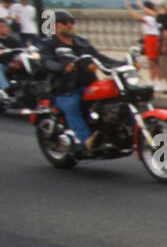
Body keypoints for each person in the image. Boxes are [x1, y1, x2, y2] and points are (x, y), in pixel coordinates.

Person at [39, 11, 122, 150]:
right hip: (65, 89)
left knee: (115, 99)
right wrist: (63, 67)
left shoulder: (82, 43)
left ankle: (113, 133)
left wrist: (125, 64)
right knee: (72, 106)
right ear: (54, 26)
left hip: (88, 86)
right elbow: (46, 62)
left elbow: (100, 58)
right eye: (65, 22)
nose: (70, 25)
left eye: (72, 21)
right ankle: (87, 141)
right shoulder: (48, 45)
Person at [124, 0, 164, 89]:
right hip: (152, 38)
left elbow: (138, 18)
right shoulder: (155, 18)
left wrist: (129, 8)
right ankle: (156, 81)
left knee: (152, 62)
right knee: (154, 62)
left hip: (151, 38)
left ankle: (155, 81)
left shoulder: (150, 18)